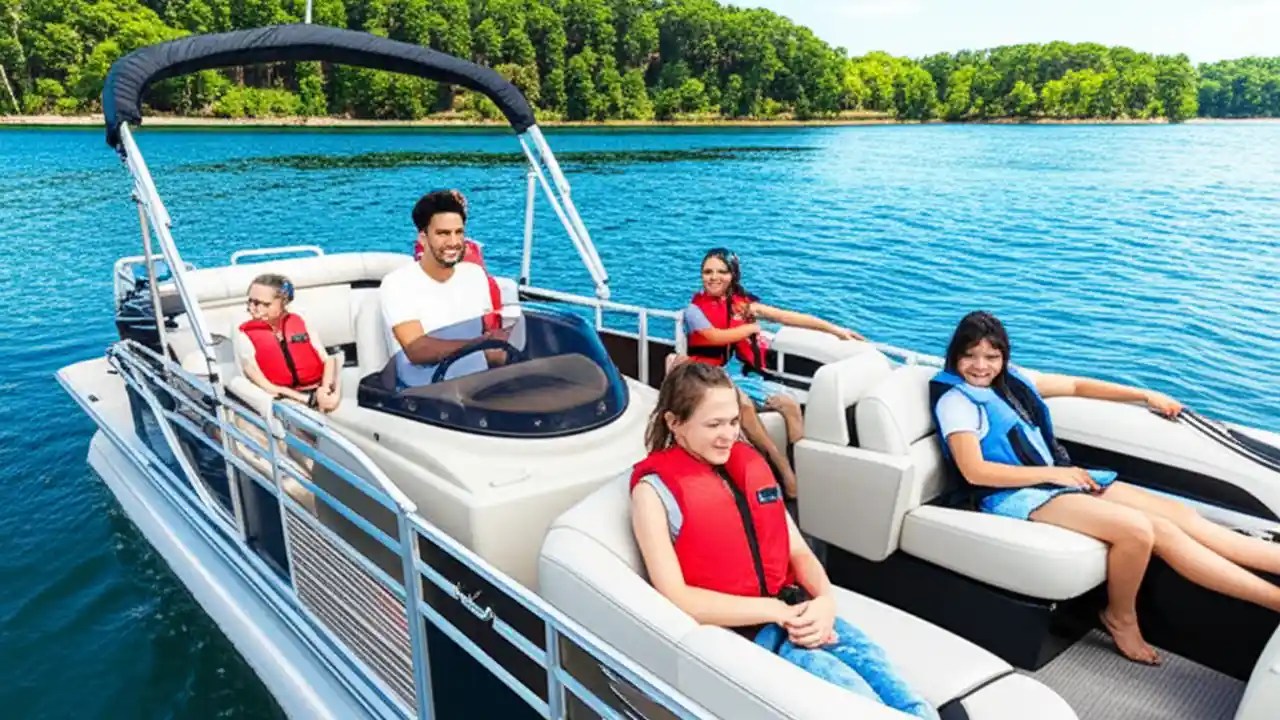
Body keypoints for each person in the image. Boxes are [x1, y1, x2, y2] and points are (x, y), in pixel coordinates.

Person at [931, 310, 1280, 665]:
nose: (980, 366)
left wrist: (1145, 395)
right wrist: (1053, 476)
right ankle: (1121, 617)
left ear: (1004, 356)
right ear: (955, 354)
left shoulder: (1012, 380)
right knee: (1140, 530)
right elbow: (974, 472)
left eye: (992, 356)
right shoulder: (957, 402)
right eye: (970, 355)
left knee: (1181, 516)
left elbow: (1076, 386)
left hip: (1055, 478)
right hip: (1010, 494)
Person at [631, 362, 939, 719]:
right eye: (713, 425)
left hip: (798, 610)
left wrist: (824, 601)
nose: (728, 435)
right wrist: (776, 612)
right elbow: (678, 596)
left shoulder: (747, 467)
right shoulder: (653, 494)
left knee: (904, 699)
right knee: (859, 704)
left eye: (733, 422)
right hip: (749, 635)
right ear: (674, 422)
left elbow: (797, 550)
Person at [674, 247, 866, 499]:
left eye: (722, 271)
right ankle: (785, 472)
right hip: (706, 377)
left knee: (789, 404)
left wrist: (836, 330)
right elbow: (713, 336)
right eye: (707, 271)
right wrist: (750, 327)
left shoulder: (744, 306)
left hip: (738, 374)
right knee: (742, 404)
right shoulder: (693, 311)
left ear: (733, 275)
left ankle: (805, 471)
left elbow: (788, 317)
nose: (713, 277)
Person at [381, 189, 510, 388]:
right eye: (443, 233)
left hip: (481, 381)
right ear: (423, 238)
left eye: (459, 232)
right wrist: (480, 345)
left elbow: (490, 336)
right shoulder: (397, 283)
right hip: (427, 391)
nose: (453, 242)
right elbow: (418, 350)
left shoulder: (475, 275)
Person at [237, 273, 340, 412]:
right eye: (251, 301)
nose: (254, 308)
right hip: (285, 398)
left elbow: (327, 359)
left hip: (317, 389)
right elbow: (264, 384)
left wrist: (326, 389)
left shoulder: (300, 320)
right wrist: (307, 399)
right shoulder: (243, 334)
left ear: (283, 303)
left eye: (265, 304)